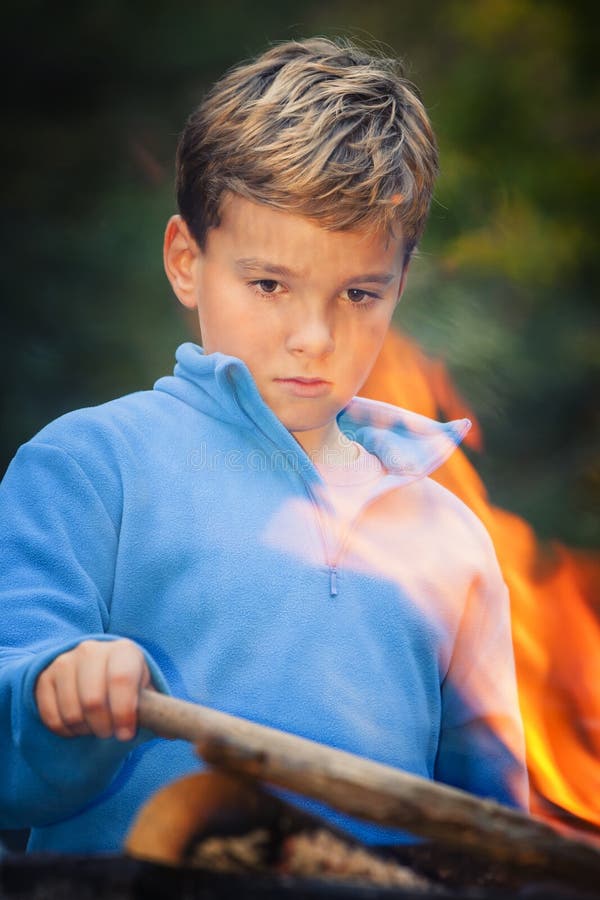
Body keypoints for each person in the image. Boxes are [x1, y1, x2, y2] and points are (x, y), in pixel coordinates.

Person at [0, 37, 528, 853]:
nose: (312, 338)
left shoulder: (451, 540)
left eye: (358, 293)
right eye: (270, 285)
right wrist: (50, 689)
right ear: (187, 260)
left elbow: (494, 840)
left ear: (399, 286)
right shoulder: (87, 467)